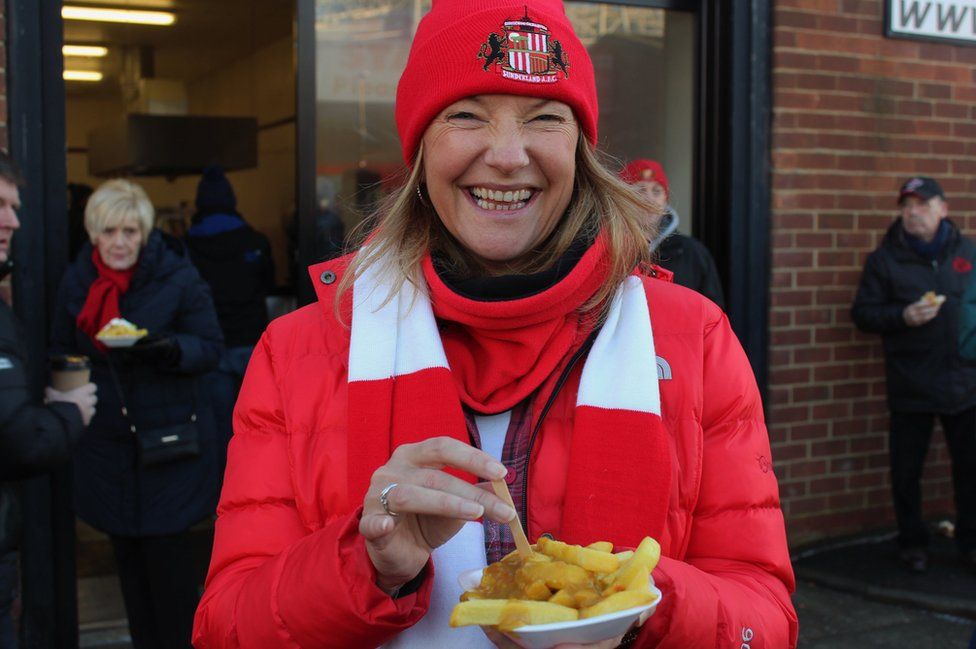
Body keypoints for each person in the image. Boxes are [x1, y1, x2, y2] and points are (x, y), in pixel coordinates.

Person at [193, 1, 797, 647]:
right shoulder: (300, 348)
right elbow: (227, 627)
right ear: (421, 145)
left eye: (544, 118)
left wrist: (638, 604)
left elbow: (764, 619)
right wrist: (366, 563)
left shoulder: (694, 337)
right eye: (466, 115)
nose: (508, 155)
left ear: (580, 147)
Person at [51, 179, 223, 649]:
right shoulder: (77, 283)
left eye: (130, 230)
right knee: (128, 571)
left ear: (144, 233)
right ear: (93, 234)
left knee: (170, 584)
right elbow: (63, 351)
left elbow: (209, 347)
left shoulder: (177, 277)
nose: (120, 241)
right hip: (106, 446)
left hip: (169, 449)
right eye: (110, 231)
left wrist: (165, 348)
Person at [852, 176, 976, 574]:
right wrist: (903, 316)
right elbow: (864, 313)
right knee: (907, 470)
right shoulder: (884, 259)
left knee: (970, 469)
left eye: (921, 205)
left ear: (943, 208)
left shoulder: (968, 253)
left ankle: (970, 542)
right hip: (911, 381)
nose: (912, 212)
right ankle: (912, 542)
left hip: (965, 382)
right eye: (906, 206)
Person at [0, 153, 97, 648]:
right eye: (0, 205)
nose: (13, 220)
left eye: (13, 206)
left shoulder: (177, 279)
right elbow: (16, 437)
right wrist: (69, 412)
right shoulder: (79, 281)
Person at [186, 166, 274, 469]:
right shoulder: (256, 242)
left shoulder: (188, 247)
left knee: (221, 428)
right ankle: (261, 479)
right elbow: (269, 285)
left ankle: (224, 489)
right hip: (253, 343)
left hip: (215, 347)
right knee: (262, 425)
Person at [620, 159, 724, 308]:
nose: (649, 199)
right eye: (641, 190)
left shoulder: (693, 253)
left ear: (665, 199)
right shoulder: (608, 249)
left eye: (656, 191)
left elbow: (713, 314)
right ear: (624, 197)